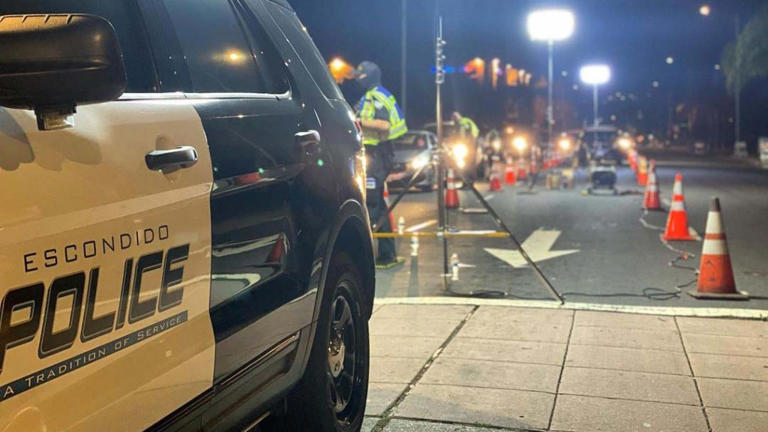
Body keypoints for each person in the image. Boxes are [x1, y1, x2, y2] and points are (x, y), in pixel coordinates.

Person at [354, 61, 408, 268]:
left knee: (374, 203)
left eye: (361, 75)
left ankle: (384, 255)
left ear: (369, 76)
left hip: (378, 154)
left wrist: (359, 121)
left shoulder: (377, 96)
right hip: (373, 153)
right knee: (375, 202)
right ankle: (385, 252)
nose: (358, 79)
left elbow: (384, 126)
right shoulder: (370, 94)